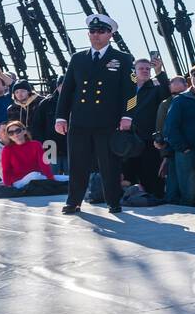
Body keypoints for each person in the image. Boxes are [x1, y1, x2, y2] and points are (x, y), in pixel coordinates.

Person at [55, 14, 135, 215]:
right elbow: (67, 91)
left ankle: (113, 201)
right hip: (80, 120)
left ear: (110, 34)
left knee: (109, 164)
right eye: (93, 31)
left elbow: (130, 92)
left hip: (107, 121)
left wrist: (128, 115)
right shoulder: (78, 58)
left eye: (101, 31)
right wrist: (61, 117)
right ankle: (74, 201)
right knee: (77, 163)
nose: (96, 35)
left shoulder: (123, 59)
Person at [163, 63, 195, 206]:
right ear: (190, 79)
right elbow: (170, 128)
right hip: (187, 154)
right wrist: (183, 149)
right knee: (189, 196)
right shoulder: (180, 100)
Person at [123, 57, 170, 197]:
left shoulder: (155, 90)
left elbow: (166, 95)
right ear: (134, 71)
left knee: (150, 175)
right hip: (128, 140)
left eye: (147, 69)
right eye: (141, 68)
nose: (144, 71)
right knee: (127, 175)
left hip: (148, 141)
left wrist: (159, 71)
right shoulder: (127, 89)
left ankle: (153, 200)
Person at [0, 122, 68, 192]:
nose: (15, 134)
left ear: (24, 131)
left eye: (18, 131)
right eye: (11, 133)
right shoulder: (7, 149)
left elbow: (44, 164)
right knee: (34, 175)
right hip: (19, 182)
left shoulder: (36, 144)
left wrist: (51, 179)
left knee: (68, 178)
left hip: (38, 177)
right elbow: (6, 170)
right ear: (9, 136)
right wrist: (8, 185)